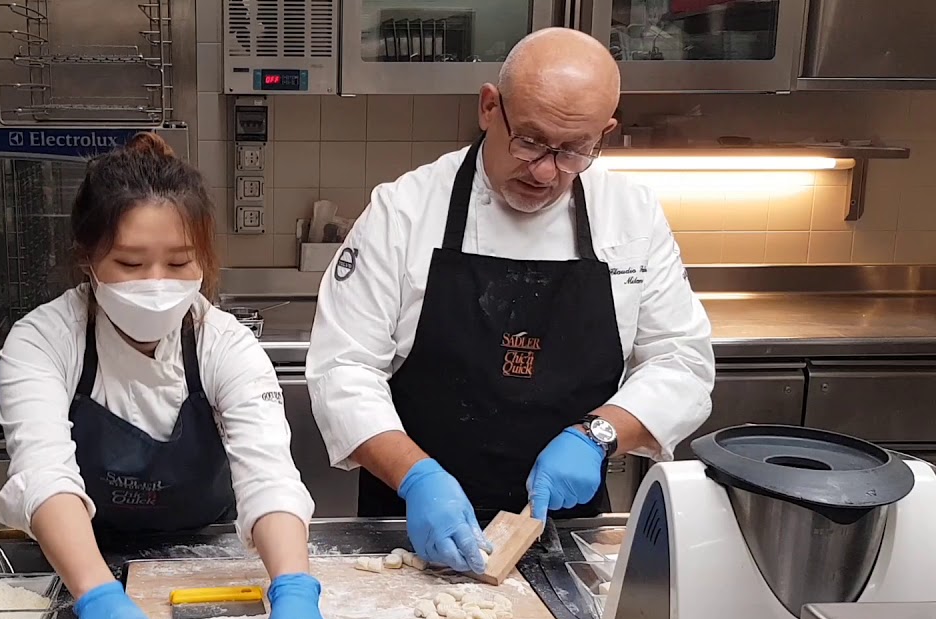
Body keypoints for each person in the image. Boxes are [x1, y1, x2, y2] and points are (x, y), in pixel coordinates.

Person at [306, 28, 715, 574]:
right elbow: (343, 367)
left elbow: (682, 361)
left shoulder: (631, 216)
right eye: (529, 140)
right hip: (410, 528)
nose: (546, 171)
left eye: (573, 150)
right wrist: (418, 477)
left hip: (569, 531)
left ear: (604, 134)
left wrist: (597, 436)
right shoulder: (403, 211)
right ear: (488, 107)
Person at [0, 133, 340, 619]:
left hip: (209, 563)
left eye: (179, 263)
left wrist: (295, 588)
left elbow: (268, 475)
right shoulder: (43, 341)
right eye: (130, 263)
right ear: (89, 259)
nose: (157, 282)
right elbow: (44, 474)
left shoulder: (224, 345)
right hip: (82, 564)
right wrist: (99, 594)